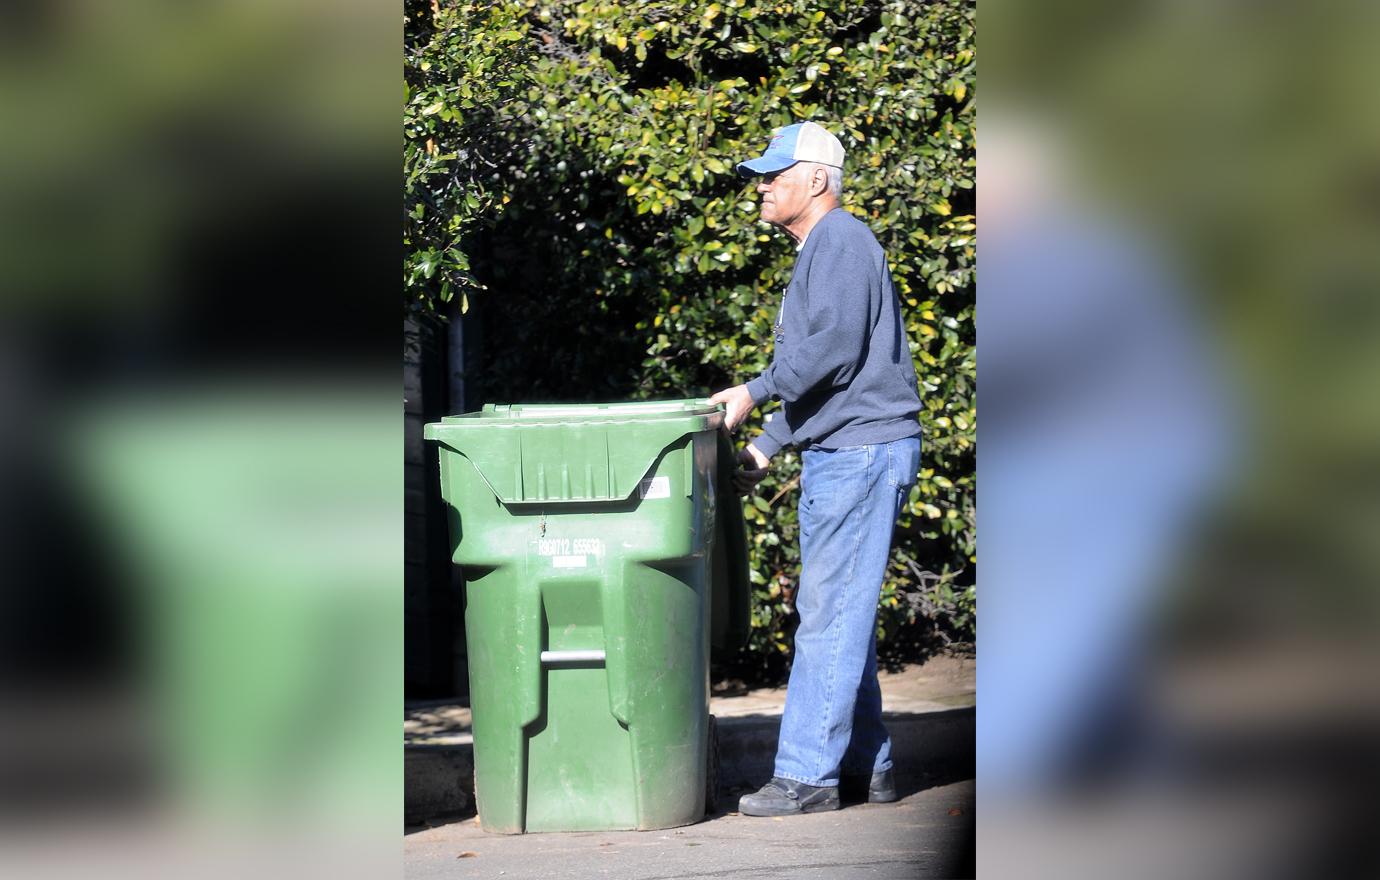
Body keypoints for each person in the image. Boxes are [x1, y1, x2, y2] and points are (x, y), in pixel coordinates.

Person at [708, 121, 923, 816]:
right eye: (761, 175)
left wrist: (754, 390)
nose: (761, 186)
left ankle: (808, 778)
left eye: (774, 174)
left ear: (817, 181)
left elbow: (829, 350)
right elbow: (836, 377)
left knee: (827, 618)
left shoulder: (841, 240)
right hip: (851, 449)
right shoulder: (824, 248)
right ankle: (867, 767)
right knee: (838, 612)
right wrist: (768, 445)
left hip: (861, 455)